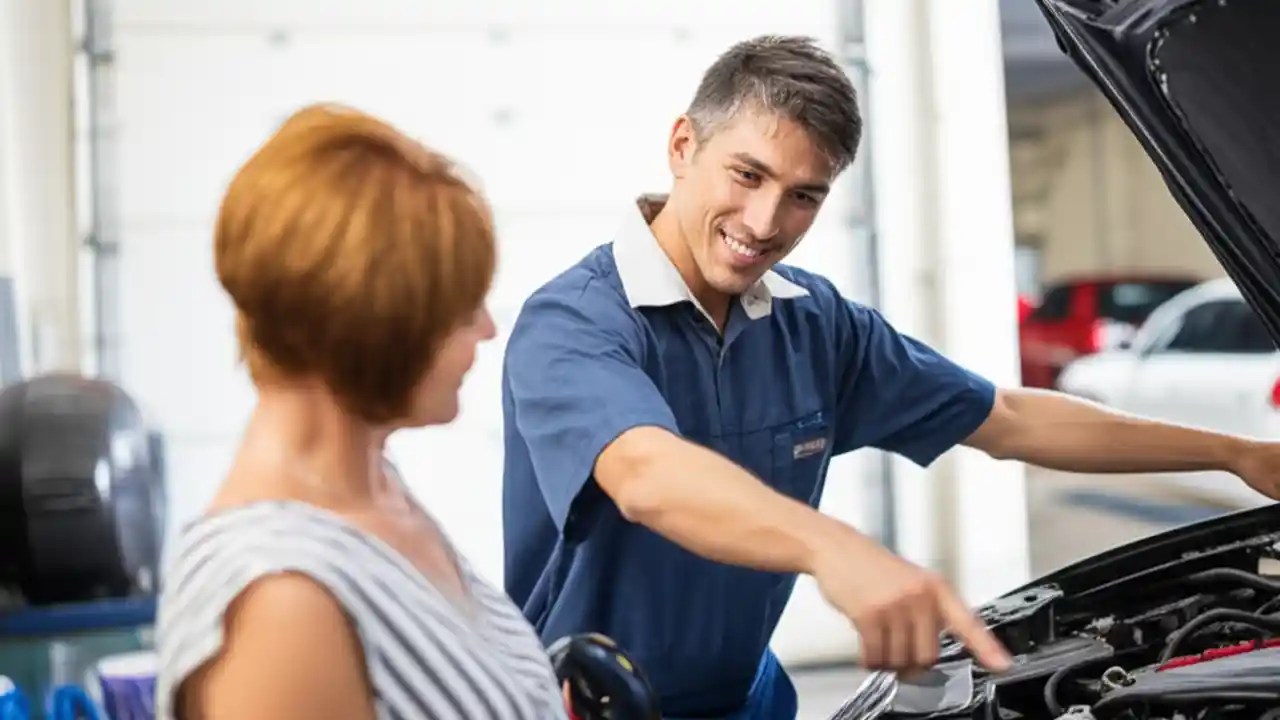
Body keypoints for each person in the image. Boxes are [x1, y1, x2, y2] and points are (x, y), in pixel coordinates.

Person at [499, 35, 1280, 720]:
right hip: (578, 706)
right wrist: (837, 551)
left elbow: (1006, 417)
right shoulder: (576, 321)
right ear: (681, 146)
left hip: (749, 699)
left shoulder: (817, 325)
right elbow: (646, 472)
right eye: (747, 174)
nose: (766, 223)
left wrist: (1237, 454)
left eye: (803, 196)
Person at [154, 104, 568, 719]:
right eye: (460, 312)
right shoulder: (279, 601)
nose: (486, 330)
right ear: (376, 324)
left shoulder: (374, 491)